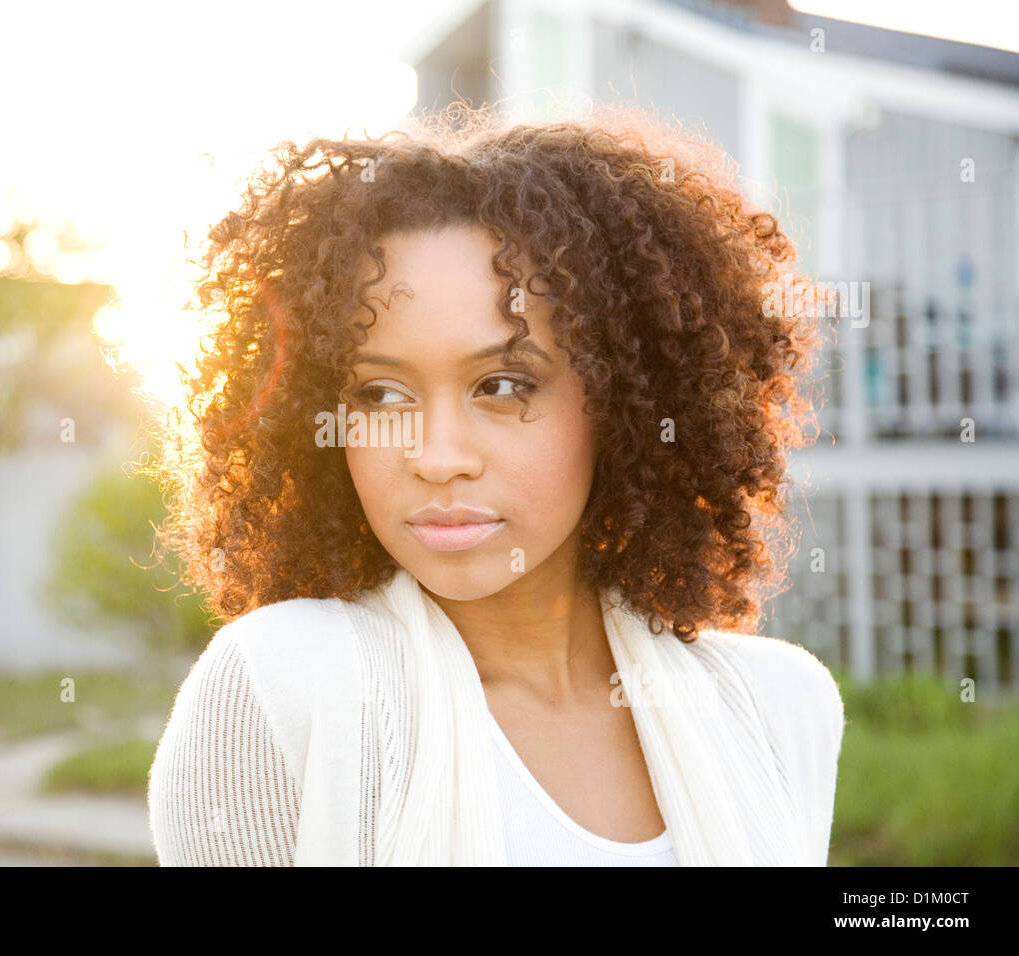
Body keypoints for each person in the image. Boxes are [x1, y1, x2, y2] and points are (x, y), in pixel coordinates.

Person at [145, 102, 845, 866]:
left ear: (625, 402)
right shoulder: (284, 692)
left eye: (504, 384)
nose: (438, 457)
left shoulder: (778, 707)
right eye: (380, 395)